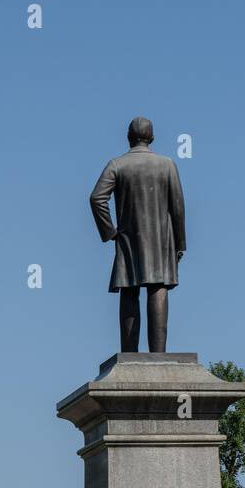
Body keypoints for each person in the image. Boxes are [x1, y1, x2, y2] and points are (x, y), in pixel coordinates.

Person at [88, 116, 186, 353]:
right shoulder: (167, 165)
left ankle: (129, 354)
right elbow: (178, 207)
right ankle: (158, 354)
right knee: (158, 287)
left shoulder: (117, 164)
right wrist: (179, 244)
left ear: (129, 137)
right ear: (151, 138)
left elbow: (96, 198)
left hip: (128, 238)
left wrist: (110, 232)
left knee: (130, 290)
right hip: (162, 240)